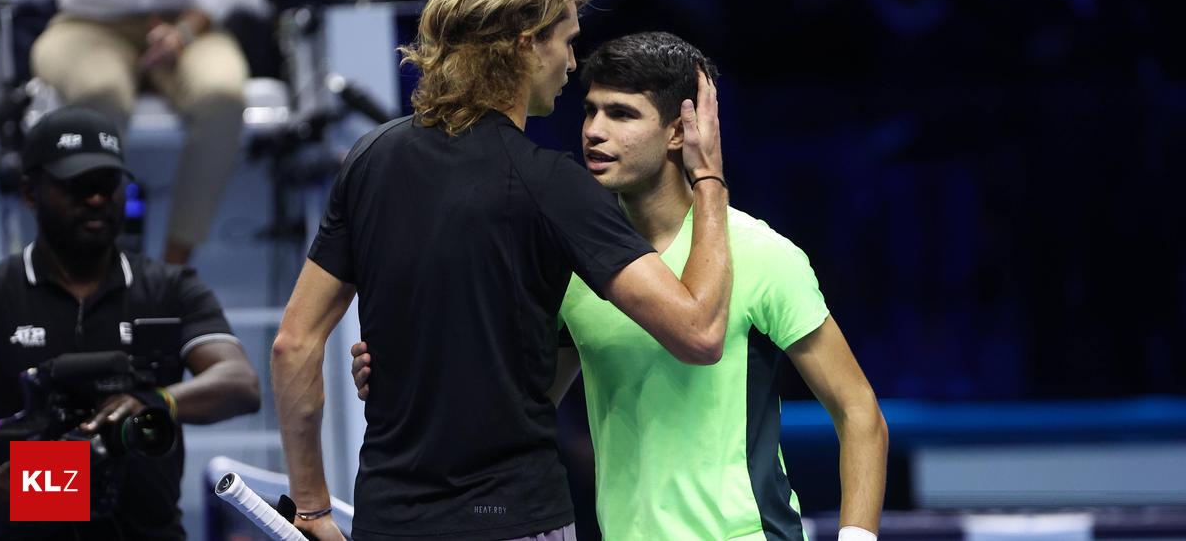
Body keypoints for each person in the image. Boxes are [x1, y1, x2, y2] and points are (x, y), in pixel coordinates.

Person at [271, 0, 731, 541]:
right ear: (526, 44)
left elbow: (293, 345)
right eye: (566, 41)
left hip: (389, 522)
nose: (572, 62)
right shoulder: (551, 182)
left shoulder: (370, 158)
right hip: (512, 519)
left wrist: (311, 507)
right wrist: (709, 178)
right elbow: (698, 333)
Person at [352, 32, 889, 540]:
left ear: (679, 131)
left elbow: (859, 411)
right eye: (590, 110)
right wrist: (409, 373)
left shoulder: (762, 253)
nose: (594, 130)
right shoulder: (575, 265)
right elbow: (519, 406)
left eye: (622, 114)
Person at [0, 106, 262, 540]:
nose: (96, 199)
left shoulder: (168, 287)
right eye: (78, 185)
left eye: (108, 184)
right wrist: (22, 487)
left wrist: (154, 401)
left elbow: (240, 383)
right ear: (30, 192)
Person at [31, 0, 263, 264]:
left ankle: (173, 268)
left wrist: (184, 30)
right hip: (89, 22)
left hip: (185, 25)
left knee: (222, 98)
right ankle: (100, 264)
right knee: (101, 95)